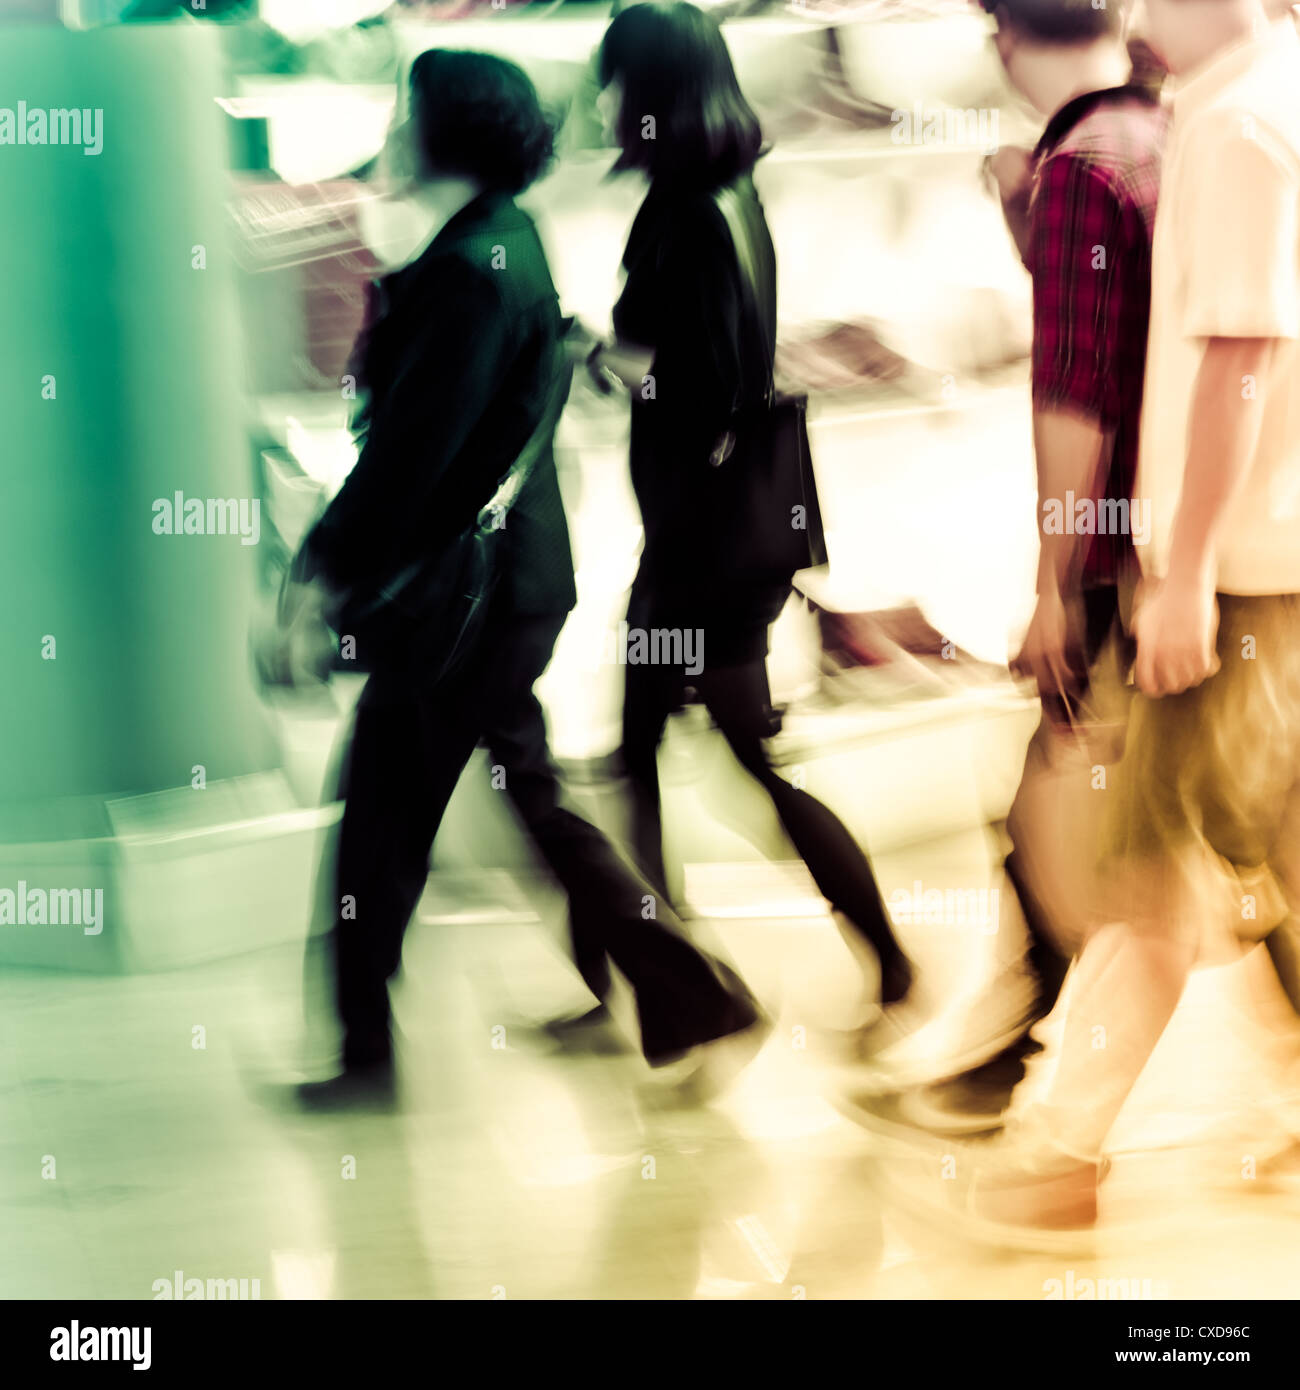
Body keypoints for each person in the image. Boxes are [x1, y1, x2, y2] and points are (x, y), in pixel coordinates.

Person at [284, 48, 769, 1108]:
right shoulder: (506, 239)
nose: (392, 132)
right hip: (506, 587)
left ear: (441, 129)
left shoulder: (469, 267)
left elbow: (414, 458)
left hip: (465, 600)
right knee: (529, 801)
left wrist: (321, 565)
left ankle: (365, 1055)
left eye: (403, 113)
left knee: (381, 817)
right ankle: (687, 993)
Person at [952, 0, 1300, 1234]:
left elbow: (1240, 352)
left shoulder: (1237, 124)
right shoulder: (1218, 110)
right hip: (1262, 553)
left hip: (1247, 562)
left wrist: (1185, 569)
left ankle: (1053, 1153)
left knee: (1148, 858)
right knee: (1274, 847)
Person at [848, 0, 1168, 1132]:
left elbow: (1078, 387)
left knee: (1079, 813)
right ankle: (999, 1056)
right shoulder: (1167, 131)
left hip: (1120, 546)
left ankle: (1008, 1072)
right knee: (1156, 812)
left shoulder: (1083, 165)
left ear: (998, 41)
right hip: (1190, 541)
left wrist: (1052, 582)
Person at [582, 2, 915, 1017]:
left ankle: (669, 985)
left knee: (681, 753)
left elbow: (655, 371)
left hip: (694, 536)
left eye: (610, 82)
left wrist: (586, 356)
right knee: (679, 749)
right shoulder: (735, 194)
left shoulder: (673, 211)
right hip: (734, 526)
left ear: (642, 92)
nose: (598, 102)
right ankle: (657, 980)